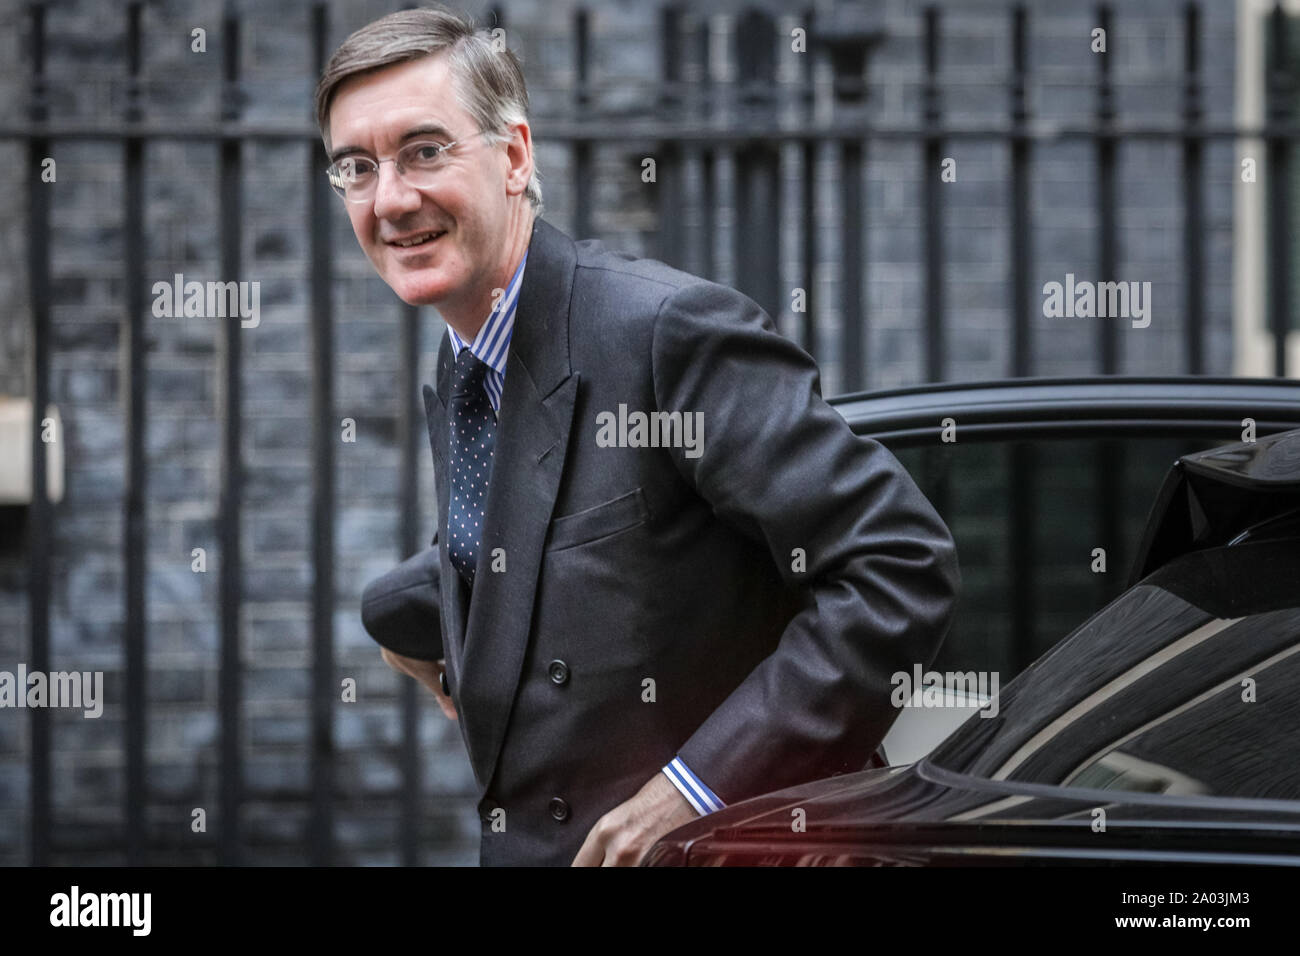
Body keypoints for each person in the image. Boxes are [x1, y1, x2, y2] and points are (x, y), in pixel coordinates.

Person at [315, 6, 960, 867]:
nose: (391, 198)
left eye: (425, 151)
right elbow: (523, 539)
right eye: (357, 168)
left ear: (513, 157)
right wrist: (400, 617)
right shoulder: (464, 361)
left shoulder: (663, 331)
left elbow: (898, 567)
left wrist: (694, 796)